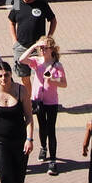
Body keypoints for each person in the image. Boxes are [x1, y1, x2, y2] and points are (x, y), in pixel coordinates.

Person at [19, 34, 66, 174]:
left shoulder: (57, 65)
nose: (43, 50)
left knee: (51, 129)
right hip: (38, 100)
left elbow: (64, 83)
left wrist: (53, 81)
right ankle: (43, 147)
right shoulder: (37, 62)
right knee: (42, 126)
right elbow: (22, 59)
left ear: (52, 49)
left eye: (45, 48)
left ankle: (53, 161)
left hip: (51, 101)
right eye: (41, 48)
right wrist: (34, 45)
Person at [9, 0, 56, 87]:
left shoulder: (42, 4)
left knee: (40, 76)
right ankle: (28, 101)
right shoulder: (17, 5)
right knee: (24, 77)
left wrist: (48, 37)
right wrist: (14, 40)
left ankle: (39, 100)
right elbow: (11, 22)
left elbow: (53, 20)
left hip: (39, 48)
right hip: (21, 47)